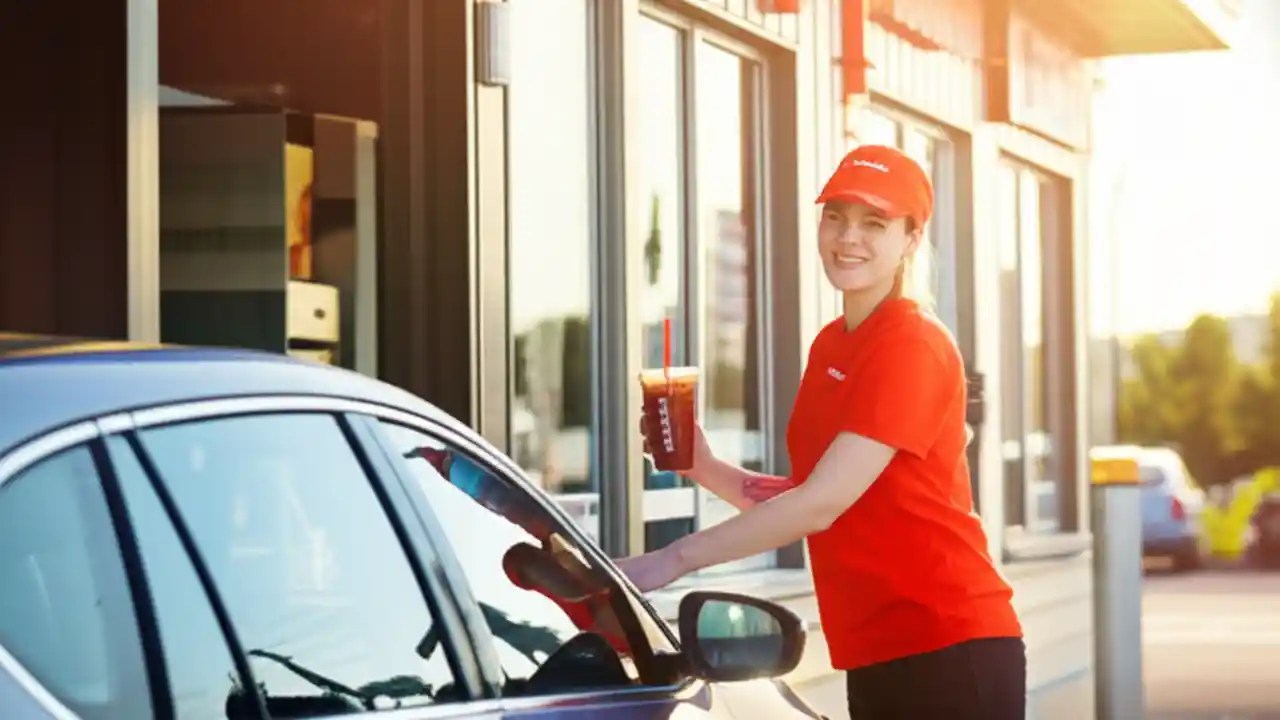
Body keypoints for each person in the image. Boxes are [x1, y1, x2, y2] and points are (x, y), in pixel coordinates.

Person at [617, 145, 1026, 718]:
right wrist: (703, 466)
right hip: (875, 647)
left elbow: (821, 505)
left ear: (910, 241)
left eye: (874, 223)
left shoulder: (914, 344)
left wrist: (672, 560)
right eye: (836, 216)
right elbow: (809, 497)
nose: (848, 237)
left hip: (950, 643)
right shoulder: (833, 343)